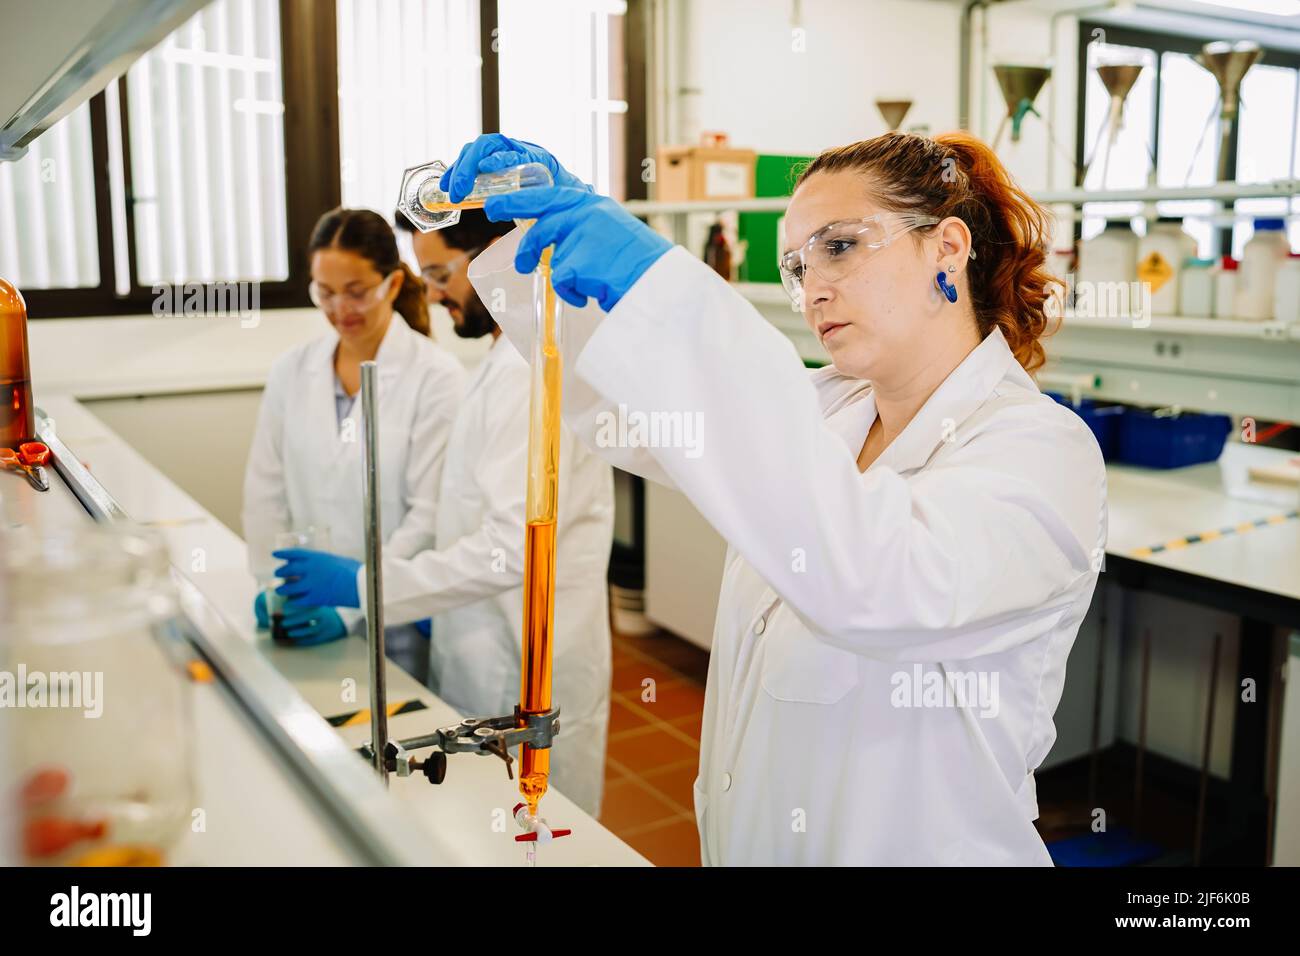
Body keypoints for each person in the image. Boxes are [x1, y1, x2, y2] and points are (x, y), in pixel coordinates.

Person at [442, 131, 1107, 865]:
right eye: (798, 263)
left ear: (947, 248)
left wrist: (661, 288)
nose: (812, 287)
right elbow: (623, 415)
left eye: (842, 247)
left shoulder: (1042, 452)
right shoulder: (831, 407)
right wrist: (522, 244)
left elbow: (872, 580)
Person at [275, 206, 615, 817]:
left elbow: (512, 549)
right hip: (483, 651)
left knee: (544, 837)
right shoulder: (502, 359)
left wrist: (363, 587)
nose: (432, 295)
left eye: (441, 274)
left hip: (527, 666)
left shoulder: (531, 370)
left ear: (497, 258)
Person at [243, 208, 465, 681]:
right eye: (325, 293)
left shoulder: (437, 379)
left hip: (393, 624)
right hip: (301, 613)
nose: (340, 309)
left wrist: (352, 601)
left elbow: (427, 517)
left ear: (392, 283)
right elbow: (265, 491)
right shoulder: (291, 370)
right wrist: (273, 588)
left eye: (356, 292)